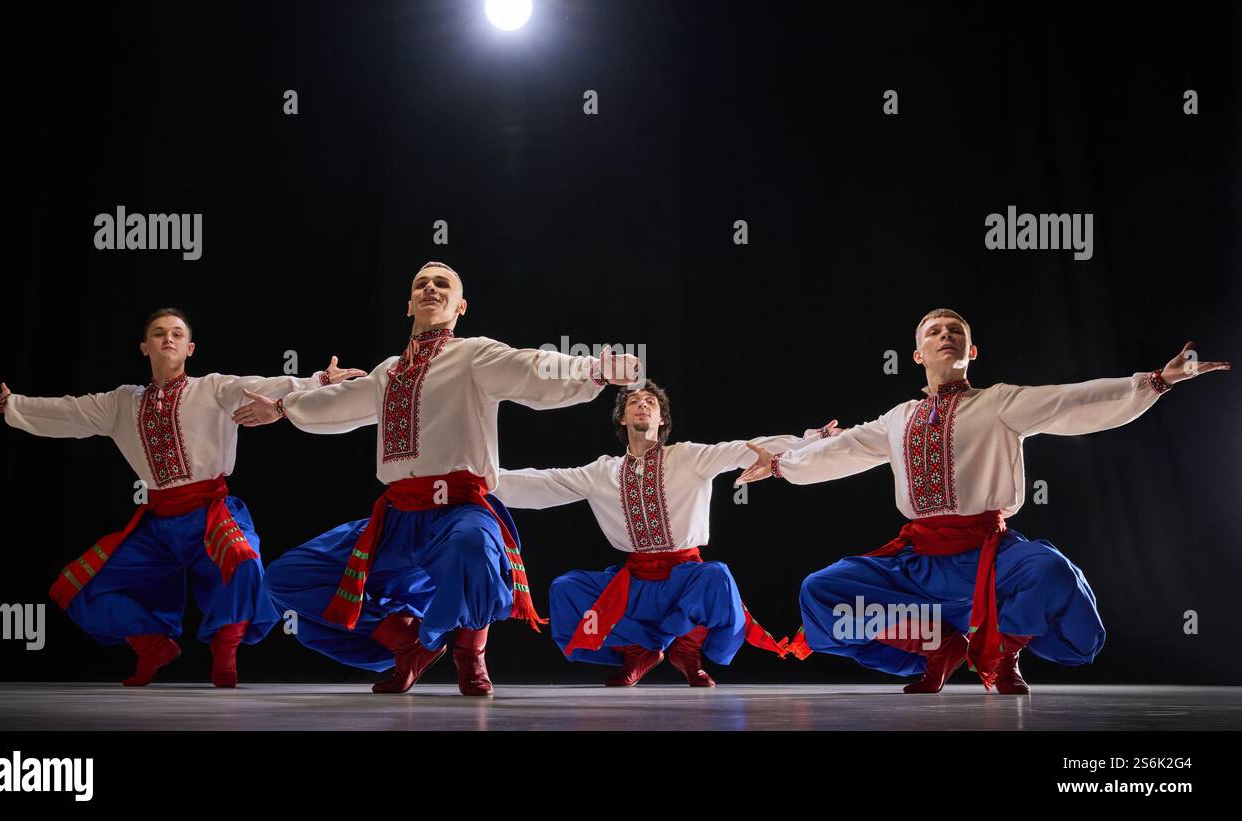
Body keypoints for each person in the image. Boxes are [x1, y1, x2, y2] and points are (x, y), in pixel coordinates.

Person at [737, 309, 1230, 694]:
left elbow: (1071, 400)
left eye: (956, 331)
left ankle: (997, 651)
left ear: (972, 350)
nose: (945, 336)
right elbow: (840, 450)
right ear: (916, 355)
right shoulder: (898, 418)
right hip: (918, 562)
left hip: (990, 554)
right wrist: (782, 463)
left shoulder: (998, 402)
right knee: (823, 590)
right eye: (934, 332)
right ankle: (936, 645)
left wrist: (1156, 381)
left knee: (1055, 578)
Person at [237, 261, 640, 695]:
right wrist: (280, 408)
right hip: (395, 520)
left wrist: (595, 371)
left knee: (477, 548)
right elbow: (337, 404)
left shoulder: (474, 355)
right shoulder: (388, 372)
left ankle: (471, 653)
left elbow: (531, 367)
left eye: (442, 283)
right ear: (409, 305)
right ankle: (407, 642)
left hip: (458, 513)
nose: (430, 288)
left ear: (460, 305)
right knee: (285, 577)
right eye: (420, 284)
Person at [0, 307, 365, 686]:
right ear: (144, 346)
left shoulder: (212, 388)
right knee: (75, 585)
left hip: (210, 514)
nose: (168, 339)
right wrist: (14, 405)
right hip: (158, 526)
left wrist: (318, 381)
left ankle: (225, 650)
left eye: (177, 334)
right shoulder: (121, 403)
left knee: (245, 560)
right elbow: (69, 412)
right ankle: (151, 645)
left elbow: (264, 385)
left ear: (190, 348)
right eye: (159, 333)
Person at [495, 379, 840, 686]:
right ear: (622, 419)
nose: (642, 404)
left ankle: (686, 652)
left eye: (651, 402)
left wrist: (809, 441)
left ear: (662, 420)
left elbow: (743, 447)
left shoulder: (688, 457)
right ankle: (639, 651)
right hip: (634, 581)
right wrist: (484, 481)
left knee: (717, 578)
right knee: (567, 589)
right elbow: (544, 482)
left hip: (685, 578)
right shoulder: (602, 472)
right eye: (633, 401)